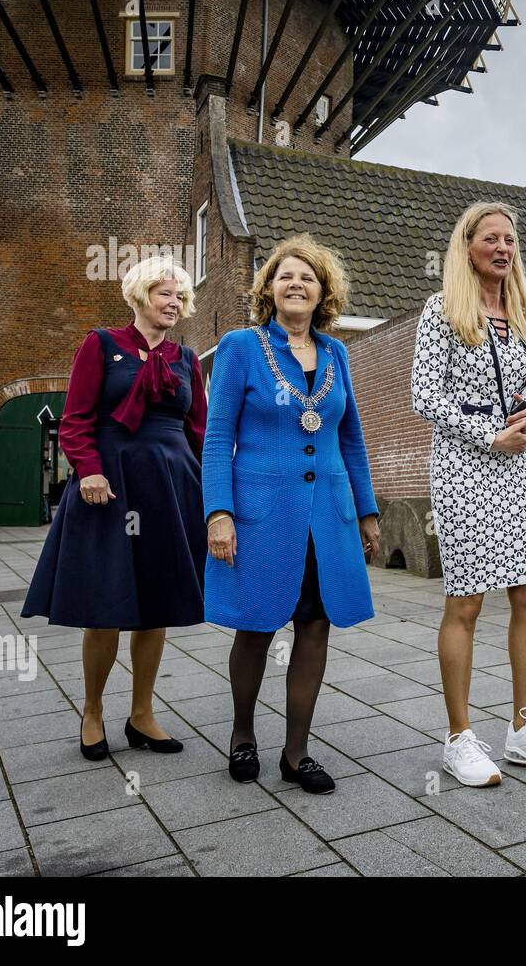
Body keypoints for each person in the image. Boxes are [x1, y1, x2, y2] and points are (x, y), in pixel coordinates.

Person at [203, 234, 381, 795]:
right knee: (255, 626)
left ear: (323, 291)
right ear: (270, 289)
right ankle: (242, 736)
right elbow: (215, 439)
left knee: (315, 625)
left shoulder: (337, 354)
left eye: (307, 276)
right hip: (260, 515)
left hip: (326, 517)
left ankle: (297, 752)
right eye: (285, 276)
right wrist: (218, 513)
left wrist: (367, 512)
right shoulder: (240, 347)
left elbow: (350, 438)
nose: (296, 283)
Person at [411, 201, 526, 788]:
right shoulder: (441, 310)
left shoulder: (521, 311)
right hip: (464, 466)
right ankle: (459, 737)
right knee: (468, 601)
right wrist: (490, 434)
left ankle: (524, 729)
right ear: (468, 245)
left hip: (517, 467)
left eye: (510, 240)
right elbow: (425, 396)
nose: (503, 248)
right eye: (491, 239)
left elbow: (525, 389)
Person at [22, 256, 206, 760]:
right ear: (140, 294)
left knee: (156, 606)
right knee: (103, 606)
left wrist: (215, 492)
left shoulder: (186, 360)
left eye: (180, 297)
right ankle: (93, 711)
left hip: (170, 489)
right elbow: (75, 420)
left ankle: (142, 714)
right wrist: (89, 470)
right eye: (165, 293)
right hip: (108, 489)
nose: (174, 303)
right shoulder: (101, 345)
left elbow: (199, 431)